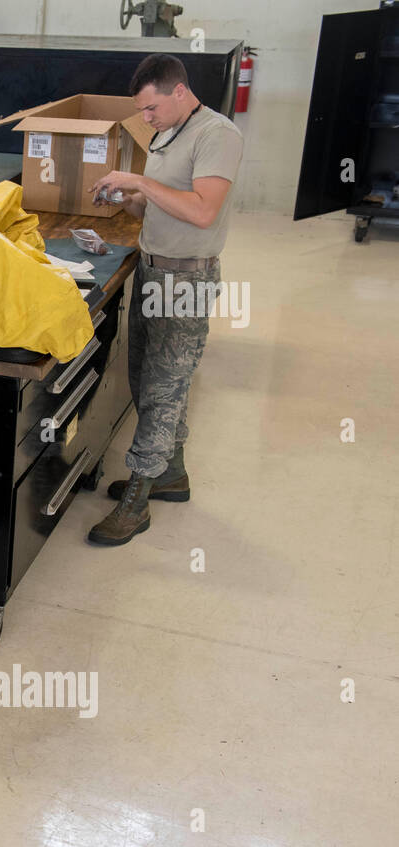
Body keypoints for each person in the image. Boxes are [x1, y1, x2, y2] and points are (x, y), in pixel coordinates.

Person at [87, 53, 243, 545]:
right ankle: (170, 473)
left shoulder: (217, 135)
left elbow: (202, 212)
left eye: (150, 108)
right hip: (154, 270)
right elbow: (158, 202)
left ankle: (137, 502)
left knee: (162, 388)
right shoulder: (167, 132)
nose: (145, 118)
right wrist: (125, 196)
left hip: (185, 284)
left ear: (179, 91)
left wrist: (139, 181)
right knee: (145, 377)